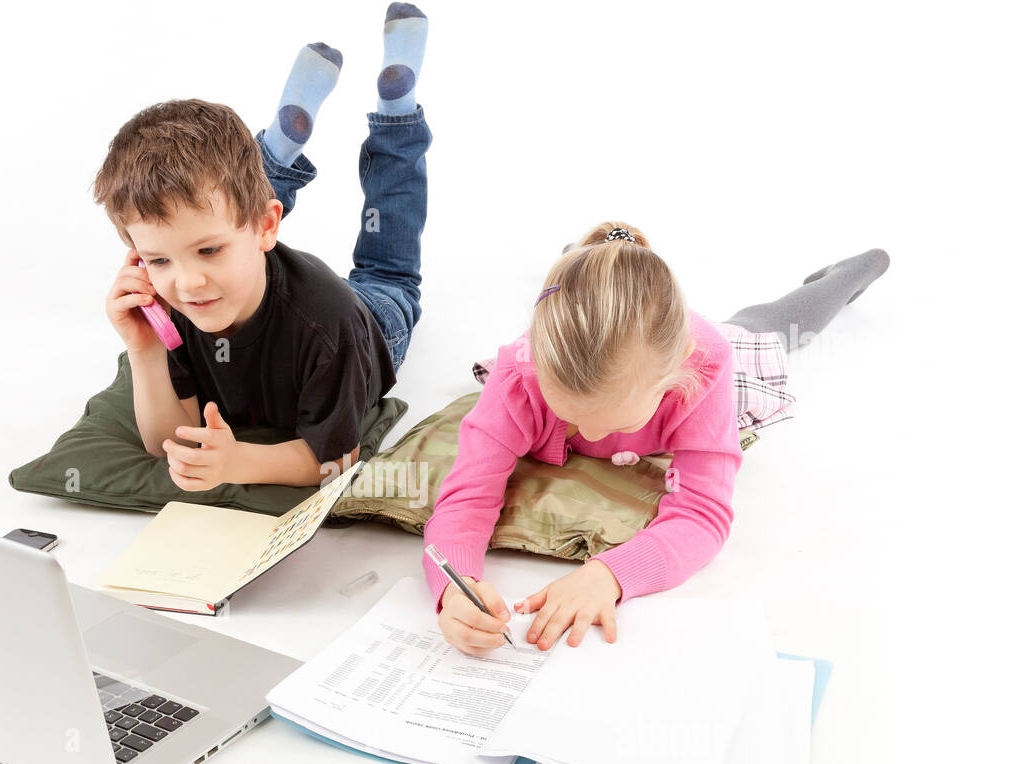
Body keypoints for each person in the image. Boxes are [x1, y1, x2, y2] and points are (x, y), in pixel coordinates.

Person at [423, 222, 889, 655]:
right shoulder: (519, 372)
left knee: (768, 326)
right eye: (570, 414)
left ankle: (849, 275)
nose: (588, 437)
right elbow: (466, 498)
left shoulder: (704, 366)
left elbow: (703, 513)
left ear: (677, 371)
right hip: (603, 328)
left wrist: (610, 575)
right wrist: (453, 588)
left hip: (709, 345)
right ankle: (588, 260)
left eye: (616, 422)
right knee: (598, 317)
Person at [92, 4, 431, 490]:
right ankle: (271, 152)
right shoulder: (175, 306)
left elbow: (335, 459)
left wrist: (240, 464)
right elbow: (167, 441)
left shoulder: (330, 328)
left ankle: (397, 116)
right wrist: (145, 351)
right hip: (266, 279)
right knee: (224, 207)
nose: (186, 283)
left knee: (388, 270)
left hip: (370, 319)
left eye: (207, 252)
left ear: (272, 227)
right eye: (158, 259)